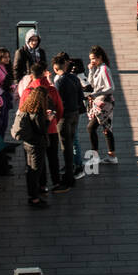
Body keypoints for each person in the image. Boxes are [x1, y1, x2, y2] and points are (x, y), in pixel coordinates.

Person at [22, 58, 65, 191]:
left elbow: (22, 110)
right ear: (43, 74)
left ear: (31, 75)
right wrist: (53, 121)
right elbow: (60, 109)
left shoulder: (28, 91)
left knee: (38, 161)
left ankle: (42, 185)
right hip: (51, 129)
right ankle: (56, 182)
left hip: (35, 131)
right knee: (53, 157)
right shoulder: (52, 90)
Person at [53, 54, 87, 190]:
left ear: (55, 68)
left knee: (65, 144)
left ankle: (70, 172)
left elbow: (57, 101)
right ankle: (73, 166)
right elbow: (80, 97)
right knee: (72, 140)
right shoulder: (74, 78)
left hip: (64, 116)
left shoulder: (59, 82)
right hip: (75, 114)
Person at [15, 85, 51, 207]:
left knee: (30, 169)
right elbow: (42, 129)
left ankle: (33, 194)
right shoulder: (38, 112)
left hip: (27, 143)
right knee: (35, 170)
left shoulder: (27, 107)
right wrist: (48, 119)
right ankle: (34, 198)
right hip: (37, 144)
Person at [86, 46, 117, 164]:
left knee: (92, 128)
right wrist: (91, 70)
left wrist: (96, 94)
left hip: (105, 103)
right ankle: (112, 156)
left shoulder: (104, 69)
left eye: (93, 58)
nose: (92, 61)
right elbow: (91, 84)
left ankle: (96, 157)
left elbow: (111, 87)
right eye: (90, 59)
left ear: (100, 58)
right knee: (106, 129)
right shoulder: (98, 68)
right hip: (100, 102)